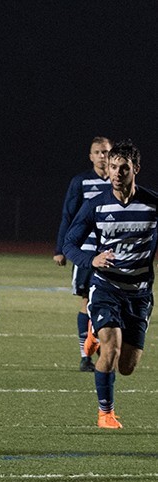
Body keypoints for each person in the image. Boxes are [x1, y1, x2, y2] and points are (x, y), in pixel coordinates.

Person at [63, 140, 158, 429]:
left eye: (123, 168)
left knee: (127, 367)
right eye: (113, 167)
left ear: (136, 169)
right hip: (106, 288)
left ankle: (94, 330)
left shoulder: (152, 204)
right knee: (111, 349)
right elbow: (70, 244)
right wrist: (91, 260)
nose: (117, 173)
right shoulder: (96, 204)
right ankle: (106, 413)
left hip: (139, 294)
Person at [53, 137, 113, 372]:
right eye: (97, 152)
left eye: (106, 152)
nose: (102, 156)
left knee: (111, 301)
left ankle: (103, 348)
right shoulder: (81, 181)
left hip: (112, 253)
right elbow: (68, 215)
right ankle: (85, 356)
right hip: (86, 251)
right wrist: (60, 248)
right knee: (87, 301)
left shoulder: (119, 181)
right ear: (91, 156)